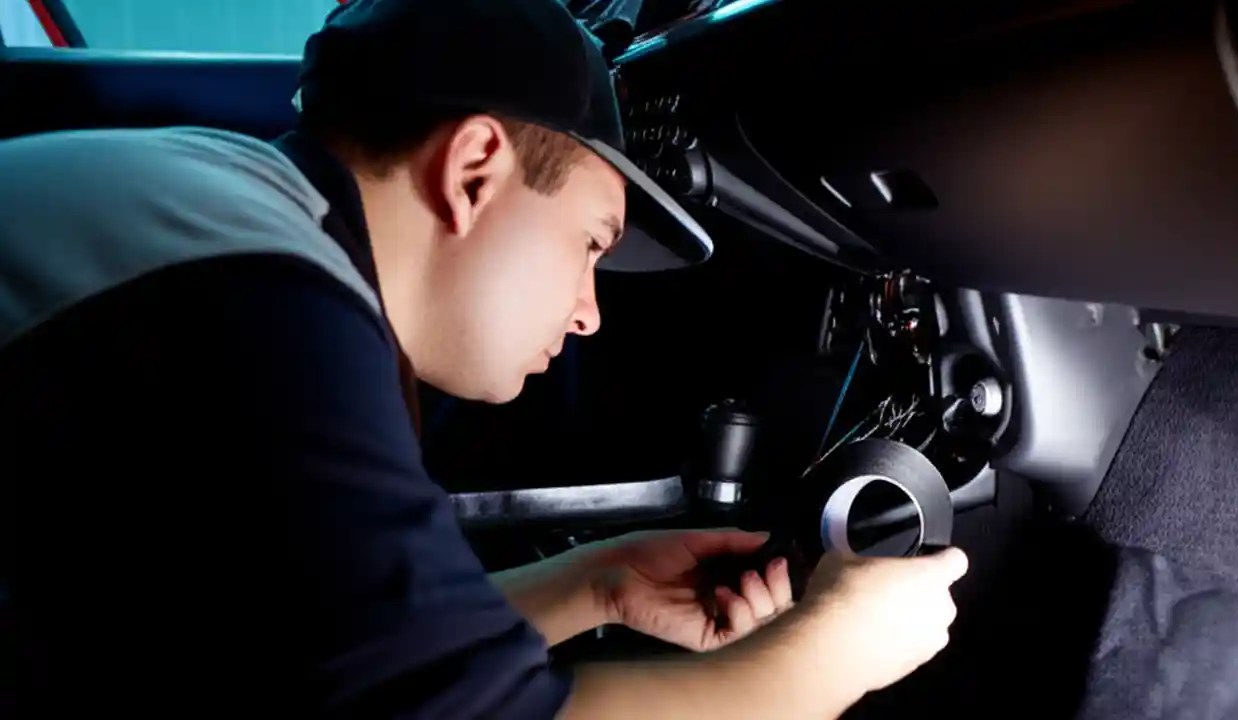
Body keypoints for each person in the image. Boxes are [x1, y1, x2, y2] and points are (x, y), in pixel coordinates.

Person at [0, 0, 967, 717]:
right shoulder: (264, 303)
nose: (589, 313)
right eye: (589, 244)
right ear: (472, 172)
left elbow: (305, 660)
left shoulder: (238, 223)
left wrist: (597, 585)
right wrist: (835, 652)